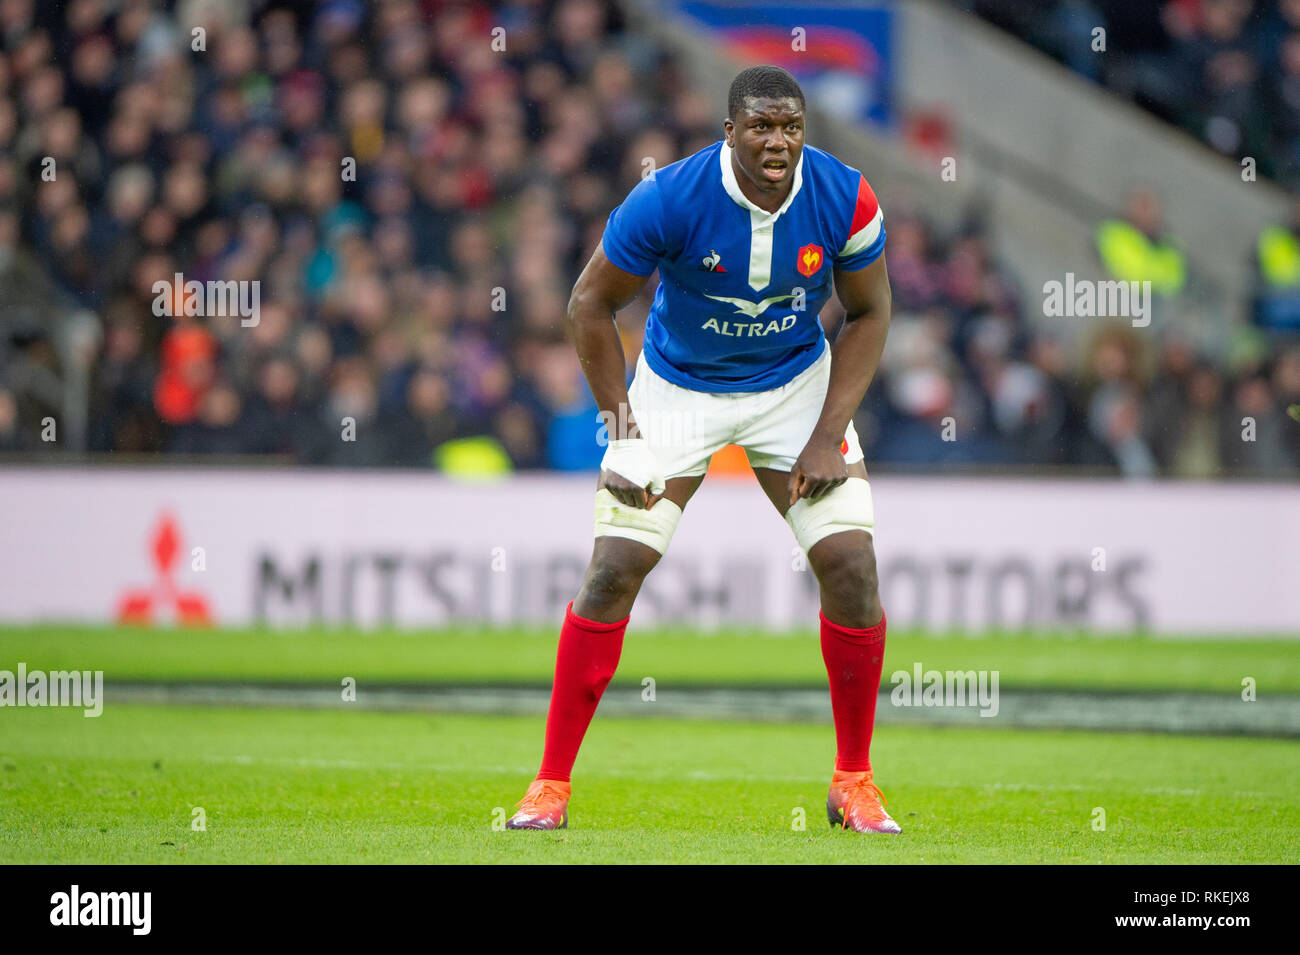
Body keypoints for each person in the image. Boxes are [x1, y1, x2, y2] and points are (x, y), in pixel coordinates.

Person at [506, 65, 898, 834]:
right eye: (761, 127)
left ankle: (854, 780)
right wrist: (623, 429)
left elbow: (872, 312)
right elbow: (589, 305)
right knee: (615, 568)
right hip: (677, 389)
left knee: (851, 564)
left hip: (793, 389)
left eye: (790, 126)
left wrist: (825, 436)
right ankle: (549, 784)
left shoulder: (846, 196)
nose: (778, 141)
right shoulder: (668, 198)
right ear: (730, 131)